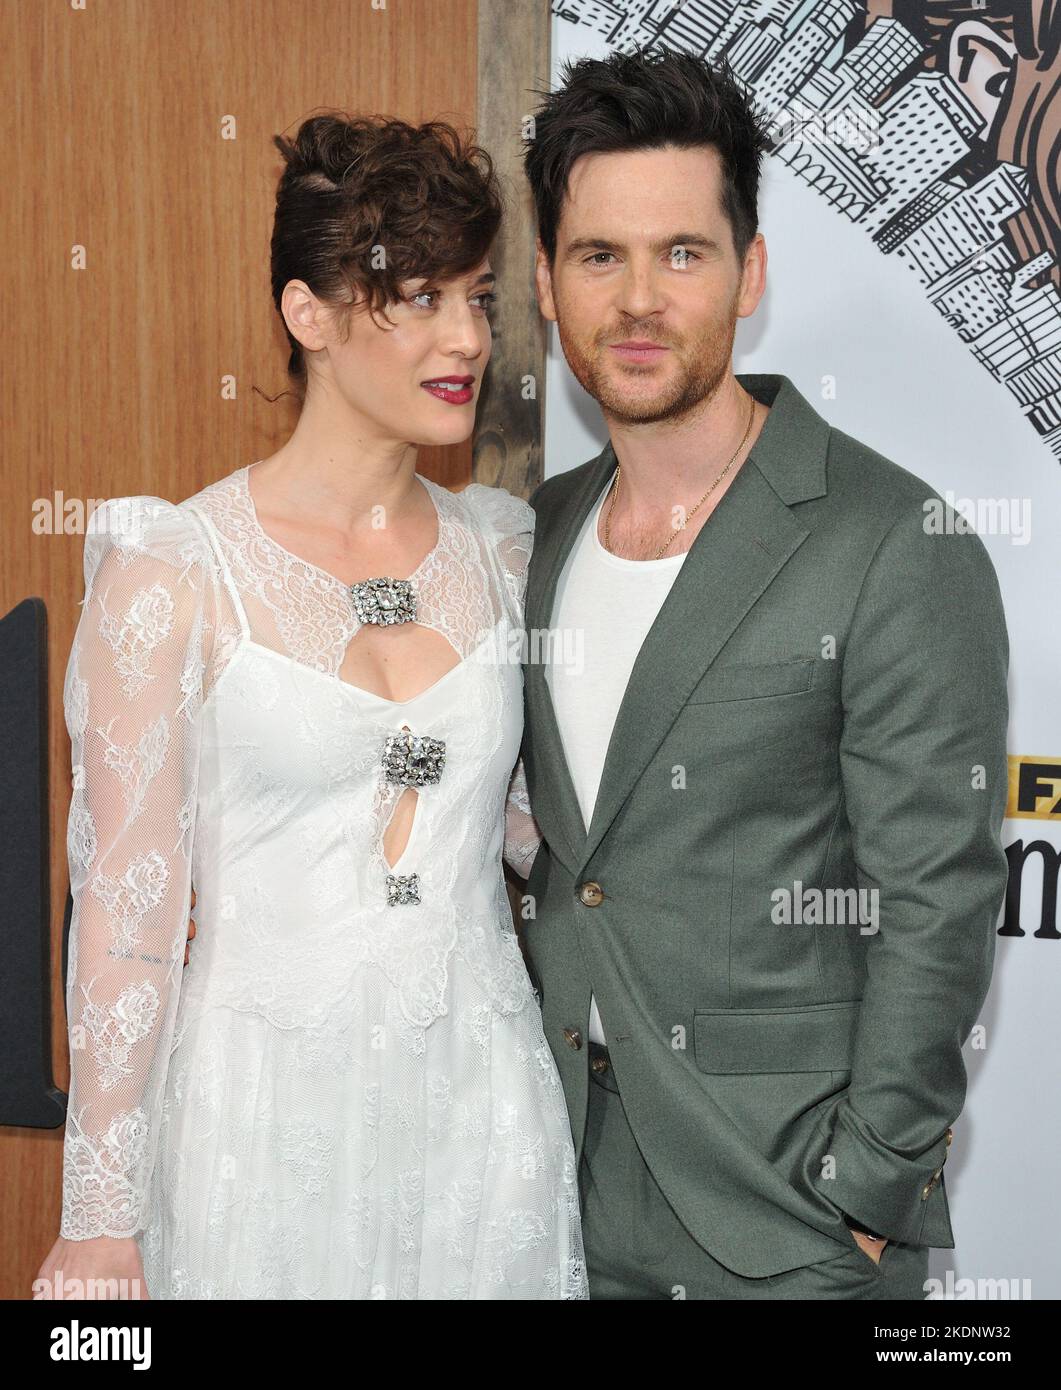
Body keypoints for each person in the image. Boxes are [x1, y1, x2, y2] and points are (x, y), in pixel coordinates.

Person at [35, 113, 587, 1300]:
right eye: (419, 296)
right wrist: (97, 1217)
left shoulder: (503, 553)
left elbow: (554, 844)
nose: (464, 337)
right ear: (309, 316)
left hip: (481, 1120)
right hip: (254, 1122)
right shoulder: (173, 570)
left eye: (478, 297)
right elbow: (127, 919)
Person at [512, 48, 1010, 1300]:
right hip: (549, 1196)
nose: (638, 300)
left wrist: (867, 1188)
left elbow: (936, 897)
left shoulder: (889, 539)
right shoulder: (533, 534)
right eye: (597, 256)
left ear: (749, 274)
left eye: (681, 253)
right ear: (543, 283)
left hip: (789, 1220)